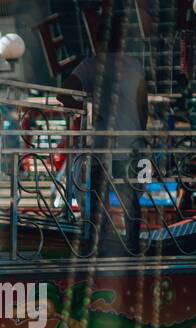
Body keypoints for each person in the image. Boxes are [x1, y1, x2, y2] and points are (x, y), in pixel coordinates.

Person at [56, 12, 149, 255]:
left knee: (98, 201)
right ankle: (133, 246)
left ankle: (99, 247)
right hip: (129, 145)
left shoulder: (90, 65)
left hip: (99, 144)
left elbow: (62, 95)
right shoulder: (135, 66)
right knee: (130, 200)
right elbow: (143, 108)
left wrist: (87, 112)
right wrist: (140, 136)